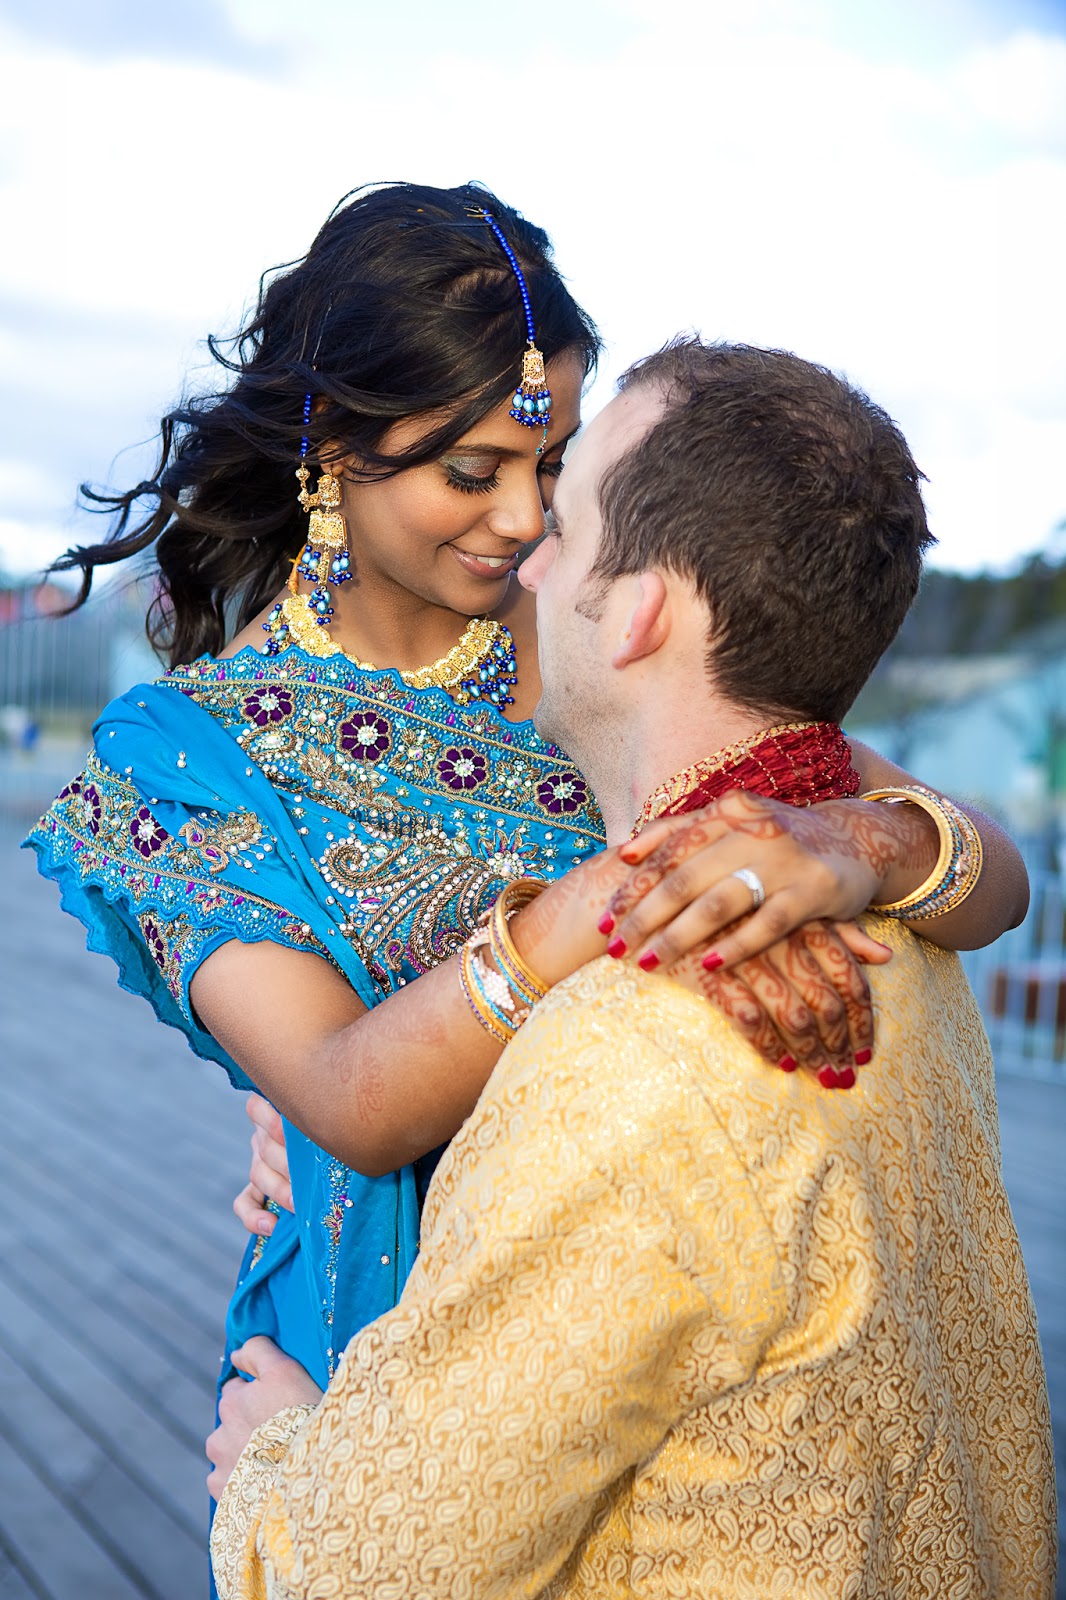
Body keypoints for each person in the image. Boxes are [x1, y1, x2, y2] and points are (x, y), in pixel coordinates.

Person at [27, 184, 1025, 1406]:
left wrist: (848, 839)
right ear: (333, 440)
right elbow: (352, 1094)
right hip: (391, 1347)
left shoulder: (599, 633)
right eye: (472, 466)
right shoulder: (191, 753)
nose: (521, 516)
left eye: (551, 463)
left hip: (681, 1306)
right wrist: (621, 899)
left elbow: (996, 883)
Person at [206, 341, 1055, 1599]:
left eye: (567, 513)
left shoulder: (637, 1048)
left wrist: (276, 1459)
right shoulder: (908, 944)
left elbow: (367, 1569)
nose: (527, 557)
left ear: (645, 606)